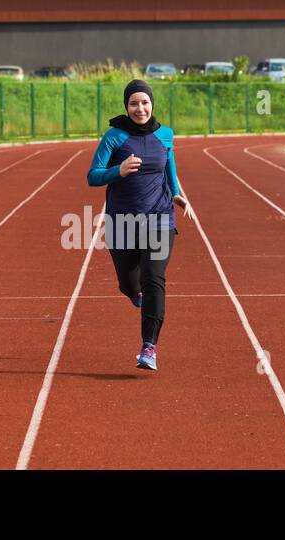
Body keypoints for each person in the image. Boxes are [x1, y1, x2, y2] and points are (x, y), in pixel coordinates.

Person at [86, 79, 194, 371]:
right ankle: (134, 294)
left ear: (152, 104)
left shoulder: (165, 134)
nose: (140, 108)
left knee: (154, 278)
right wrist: (117, 171)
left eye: (144, 102)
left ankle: (149, 346)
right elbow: (92, 176)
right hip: (122, 220)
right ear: (126, 106)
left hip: (160, 219)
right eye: (134, 103)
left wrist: (175, 193)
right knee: (129, 283)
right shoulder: (114, 137)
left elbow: (168, 165)